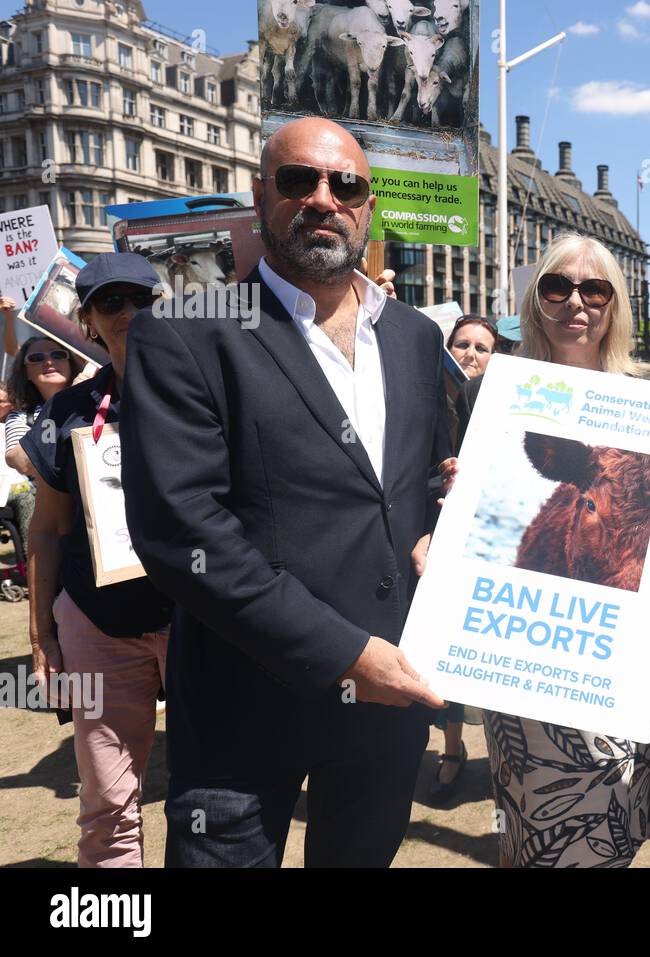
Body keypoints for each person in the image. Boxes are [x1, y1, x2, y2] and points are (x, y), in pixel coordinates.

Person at [120, 117, 450, 868]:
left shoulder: (414, 337)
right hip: (244, 708)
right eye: (300, 180)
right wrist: (343, 652)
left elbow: (420, 482)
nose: (324, 199)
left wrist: (446, 515)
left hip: (385, 711)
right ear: (261, 193)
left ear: (369, 206)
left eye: (347, 185)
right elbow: (182, 532)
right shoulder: (184, 333)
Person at [418, 233, 650, 868]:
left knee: (615, 818)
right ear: (536, 299)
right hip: (523, 643)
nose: (575, 302)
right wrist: (454, 489)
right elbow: (454, 483)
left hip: (616, 645)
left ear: (615, 303)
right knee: (529, 826)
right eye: (558, 287)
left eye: (594, 289)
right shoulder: (492, 389)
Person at [23, 252, 173, 866]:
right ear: (86, 320)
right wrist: (42, 637)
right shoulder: (68, 413)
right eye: (111, 303)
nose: (129, 313)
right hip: (99, 623)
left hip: (202, 622)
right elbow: (47, 530)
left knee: (217, 795)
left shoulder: (213, 396)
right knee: (109, 804)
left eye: (143, 300)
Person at [427, 314, 500, 804]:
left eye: (482, 347)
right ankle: (452, 751)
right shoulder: (425, 403)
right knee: (445, 654)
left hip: (491, 548)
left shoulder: (501, 405)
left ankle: (505, 757)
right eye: (462, 344)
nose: (471, 353)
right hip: (435, 543)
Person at [5, 337, 86, 552]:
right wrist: (60, 407)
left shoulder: (97, 400)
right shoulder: (21, 417)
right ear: (27, 373)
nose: (48, 361)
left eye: (58, 354)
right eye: (37, 358)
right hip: (52, 517)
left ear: (71, 363)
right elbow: (21, 461)